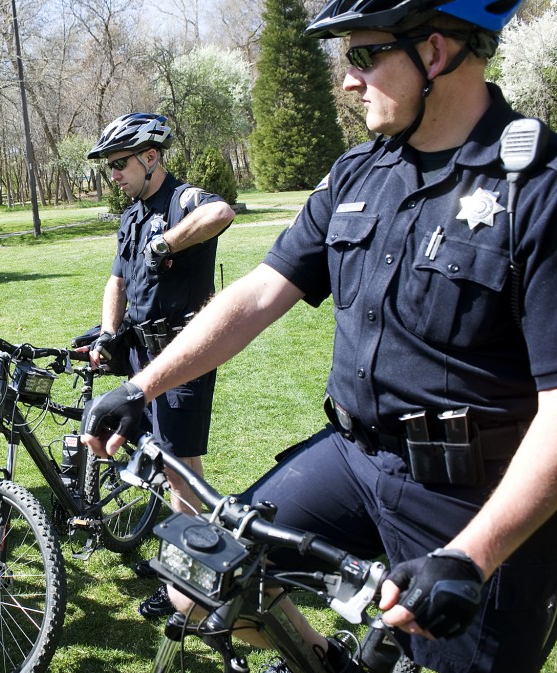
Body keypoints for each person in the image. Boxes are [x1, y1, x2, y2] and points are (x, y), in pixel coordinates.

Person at [82, 1, 557, 671]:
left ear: (436, 52)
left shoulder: (537, 191)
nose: (348, 80)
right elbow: (257, 293)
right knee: (200, 580)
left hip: (476, 490)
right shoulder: (359, 174)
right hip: (355, 458)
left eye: (363, 55)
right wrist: (143, 385)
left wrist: (471, 556)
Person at [82, 113, 235, 619]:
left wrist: (167, 242)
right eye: (109, 166)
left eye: (120, 164)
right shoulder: (131, 215)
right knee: (156, 457)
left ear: (151, 157)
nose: (113, 175)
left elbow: (221, 213)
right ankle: (179, 551)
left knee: (180, 468)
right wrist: (108, 332)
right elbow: (117, 281)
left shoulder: (183, 199)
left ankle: (187, 583)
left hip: (183, 351)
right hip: (140, 352)